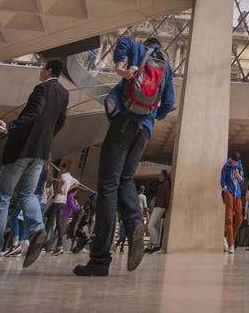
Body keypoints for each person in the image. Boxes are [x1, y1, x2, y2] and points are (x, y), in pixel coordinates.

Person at [73, 36, 174, 277]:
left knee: (108, 185)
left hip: (124, 122)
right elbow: (169, 103)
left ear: (147, 43)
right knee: (126, 179)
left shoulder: (138, 49)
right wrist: (151, 116)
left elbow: (124, 41)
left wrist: (119, 65)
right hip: (144, 129)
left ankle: (100, 259)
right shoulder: (167, 68)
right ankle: (135, 222)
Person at [0, 59, 68, 273]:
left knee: (2, 197)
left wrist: (10, 126)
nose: (40, 72)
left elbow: (33, 113)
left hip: (22, 150)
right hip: (40, 154)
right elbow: (60, 122)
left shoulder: (42, 89)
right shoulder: (64, 94)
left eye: (42, 68)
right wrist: (45, 140)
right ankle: (37, 228)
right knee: (28, 194)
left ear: (48, 71)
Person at [45, 158, 78, 254]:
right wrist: (68, 189)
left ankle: (43, 244)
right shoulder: (70, 177)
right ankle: (60, 245)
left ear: (63, 168)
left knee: (49, 220)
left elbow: (61, 185)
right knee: (59, 224)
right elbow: (77, 183)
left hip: (57, 200)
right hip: (63, 202)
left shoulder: (63, 176)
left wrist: (61, 189)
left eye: (61, 169)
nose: (60, 171)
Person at [221, 152, 244, 254]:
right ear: (231, 160)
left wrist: (239, 176)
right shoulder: (226, 166)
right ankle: (231, 244)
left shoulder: (240, 166)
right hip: (229, 192)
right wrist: (225, 189)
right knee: (229, 218)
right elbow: (222, 181)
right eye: (234, 162)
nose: (235, 163)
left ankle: (229, 238)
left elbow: (242, 182)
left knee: (239, 219)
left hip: (237, 193)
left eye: (236, 162)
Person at [146, 170, 170, 253]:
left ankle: (156, 243)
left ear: (164, 175)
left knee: (150, 225)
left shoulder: (166, 182)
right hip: (158, 206)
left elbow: (167, 194)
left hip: (160, 206)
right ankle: (150, 246)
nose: (159, 176)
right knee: (154, 226)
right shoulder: (163, 183)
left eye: (160, 175)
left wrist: (167, 207)